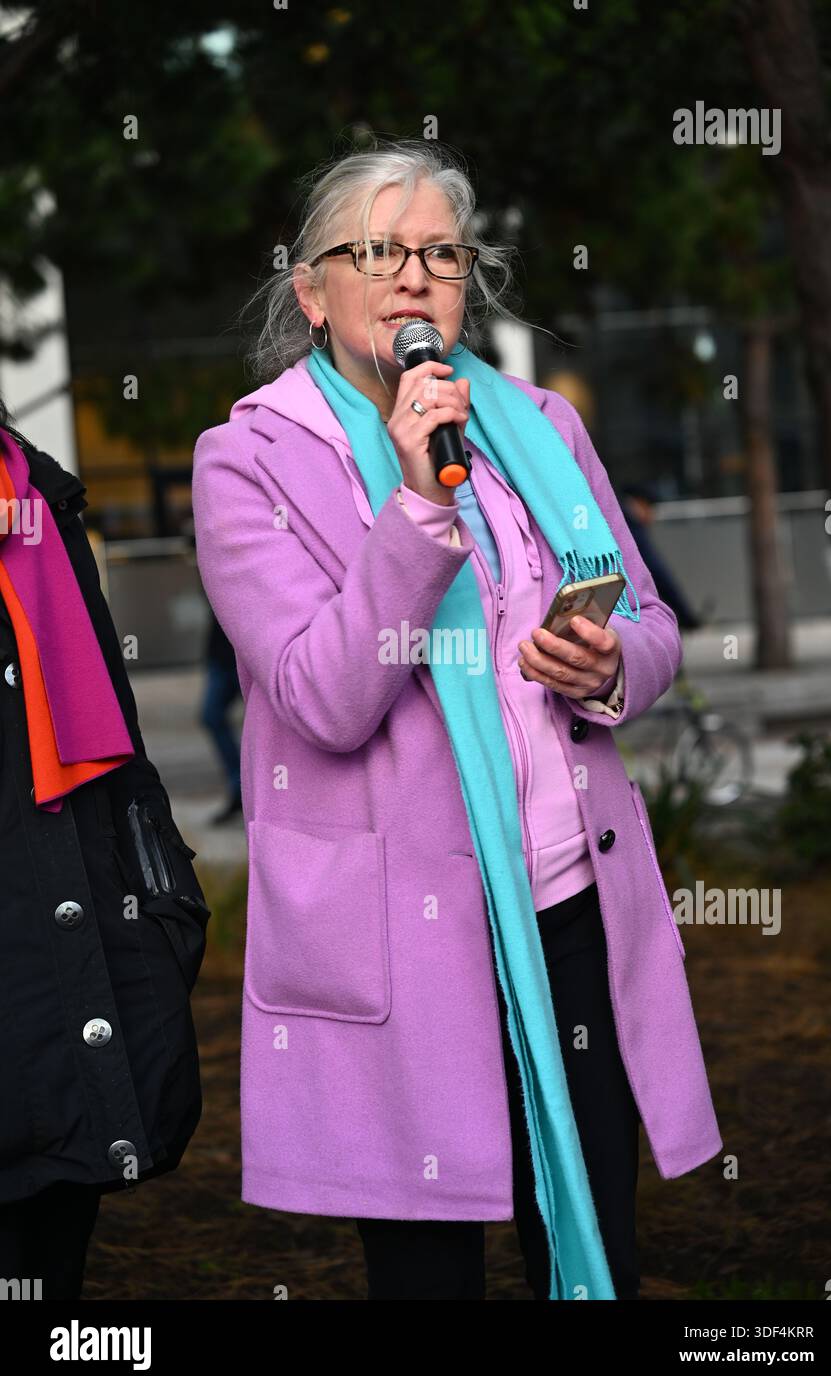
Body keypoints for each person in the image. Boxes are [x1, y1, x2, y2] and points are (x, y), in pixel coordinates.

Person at [192, 137, 722, 1301]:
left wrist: (605, 662)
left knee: (595, 1240)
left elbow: (650, 624)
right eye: (375, 250)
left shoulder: (535, 425)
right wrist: (419, 508)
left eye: (439, 251)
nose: (413, 274)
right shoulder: (248, 462)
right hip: (400, 931)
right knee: (431, 1271)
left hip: (568, 902)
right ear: (312, 291)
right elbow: (321, 698)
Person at [0, 401, 211, 1299]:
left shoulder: (33, 496)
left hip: (63, 952)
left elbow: (115, 759)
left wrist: (162, 915)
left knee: (48, 1258)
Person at [620, 483, 702, 632]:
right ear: (639, 504)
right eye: (650, 509)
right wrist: (686, 615)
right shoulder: (629, 527)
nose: (652, 517)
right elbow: (659, 573)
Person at [200, 609, 243, 824]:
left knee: (268, 727)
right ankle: (239, 787)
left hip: (245, 651)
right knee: (211, 716)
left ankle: (259, 790)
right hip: (220, 654)